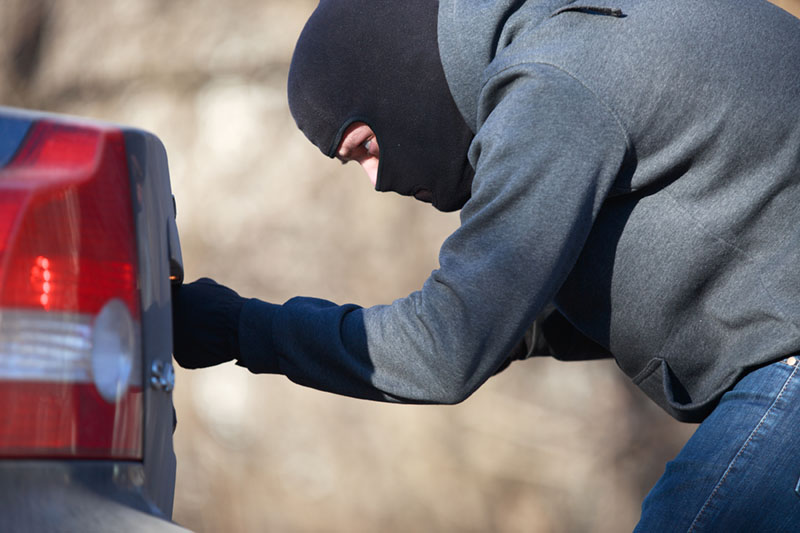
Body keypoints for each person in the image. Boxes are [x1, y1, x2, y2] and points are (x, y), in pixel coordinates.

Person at [172, 0, 800, 529]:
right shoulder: (571, 32)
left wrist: (242, 329)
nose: (374, 179)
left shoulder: (550, 82)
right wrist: (517, 326)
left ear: (399, 80)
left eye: (364, 146)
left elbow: (447, 347)